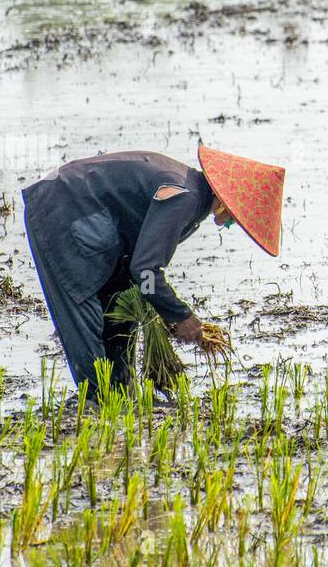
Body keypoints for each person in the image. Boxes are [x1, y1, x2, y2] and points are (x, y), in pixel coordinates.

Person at [21, 145, 284, 399]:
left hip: (96, 220)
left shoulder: (192, 195)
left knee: (120, 301)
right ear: (227, 202)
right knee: (83, 306)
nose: (231, 223)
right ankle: (96, 399)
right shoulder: (186, 197)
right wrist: (179, 314)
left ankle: (121, 392)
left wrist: (161, 310)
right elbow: (145, 268)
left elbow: (139, 267)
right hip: (61, 209)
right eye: (235, 219)